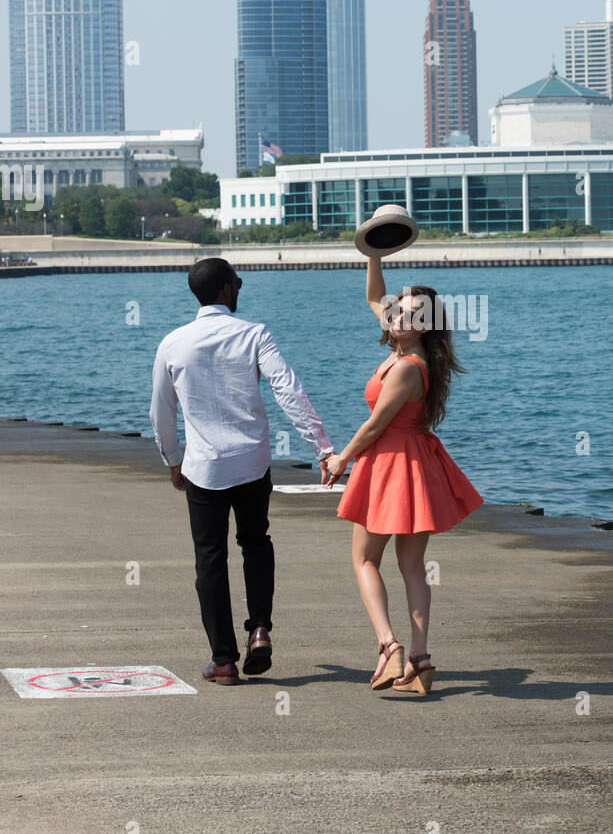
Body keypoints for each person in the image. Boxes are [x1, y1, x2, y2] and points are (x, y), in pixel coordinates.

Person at [150, 258, 334, 686]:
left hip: (204, 468)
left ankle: (224, 660)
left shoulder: (173, 343)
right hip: (251, 463)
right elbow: (288, 388)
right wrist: (321, 446)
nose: (240, 287)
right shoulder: (254, 334)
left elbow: (161, 412)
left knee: (210, 559)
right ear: (227, 290)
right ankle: (260, 629)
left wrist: (172, 461)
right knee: (255, 543)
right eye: (238, 282)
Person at [325, 257, 483, 695]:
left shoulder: (409, 367)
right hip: (413, 462)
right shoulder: (406, 350)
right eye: (399, 309)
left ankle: (388, 647)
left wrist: (341, 461)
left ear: (425, 325)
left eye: (413, 314)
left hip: (392, 462)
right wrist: (374, 252)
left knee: (365, 560)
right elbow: (375, 295)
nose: (398, 316)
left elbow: (376, 426)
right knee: (412, 566)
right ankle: (420, 660)